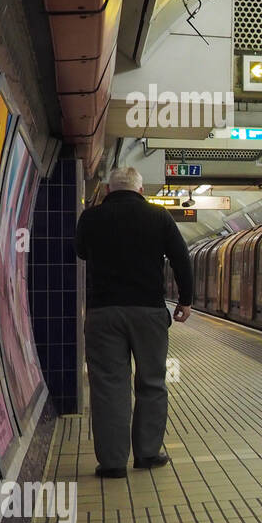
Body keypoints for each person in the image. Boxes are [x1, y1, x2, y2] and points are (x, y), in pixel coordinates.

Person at [75, 166, 193, 478]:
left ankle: (113, 464)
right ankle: (147, 454)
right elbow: (181, 257)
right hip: (148, 313)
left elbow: (81, 251)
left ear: (109, 191)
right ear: (141, 191)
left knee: (109, 386)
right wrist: (186, 299)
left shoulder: (91, 218)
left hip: (103, 313)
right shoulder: (159, 217)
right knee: (151, 382)